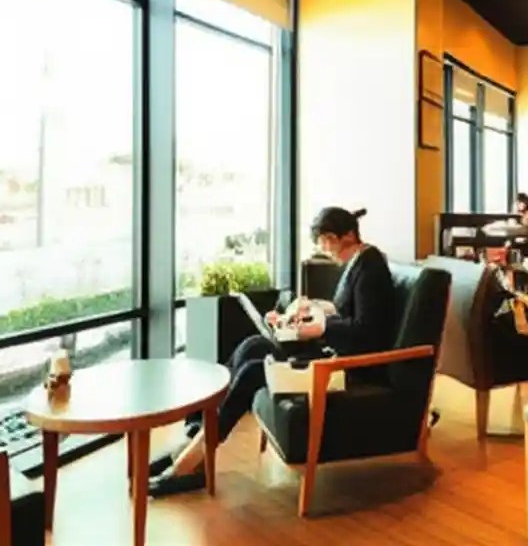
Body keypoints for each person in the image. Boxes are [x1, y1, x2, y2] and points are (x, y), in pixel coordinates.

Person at [150, 206, 398, 496]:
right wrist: (309, 310)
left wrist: (319, 328)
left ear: (336, 237)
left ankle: (190, 463)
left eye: (324, 243)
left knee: (256, 370)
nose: (325, 252)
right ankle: (194, 436)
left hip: (345, 369)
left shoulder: (371, 267)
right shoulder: (359, 262)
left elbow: (366, 333)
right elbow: (347, 312)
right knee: (251, 346)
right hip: (334, 354)